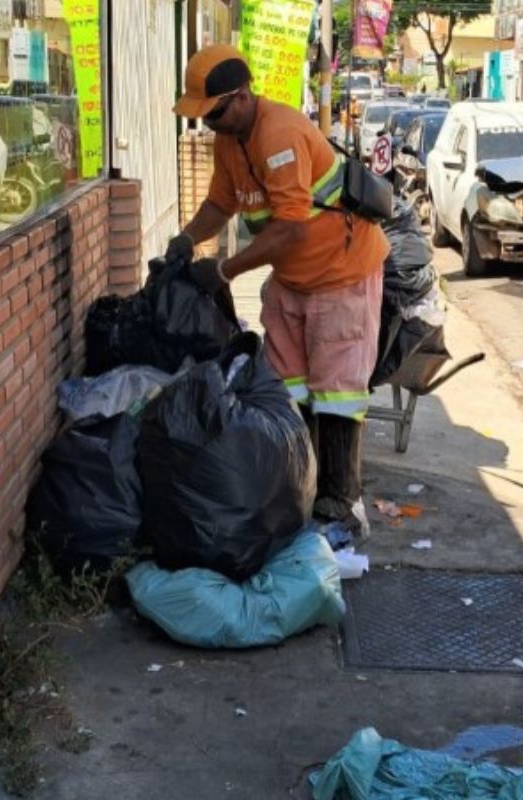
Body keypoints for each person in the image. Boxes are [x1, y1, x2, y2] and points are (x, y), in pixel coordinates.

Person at [166, 44, 389, 540]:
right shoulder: (231, 142)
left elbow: (289, 229)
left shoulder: (280, 132)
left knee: (337, 394)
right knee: (287, 387)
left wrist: (223, 271)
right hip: (292, 280)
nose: (211, 123)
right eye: (205, 115)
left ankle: (342, 503)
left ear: (243, 97)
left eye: (216, 112)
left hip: (340, 274)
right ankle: (299, 489)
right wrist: (186, 238)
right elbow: (220, 203)